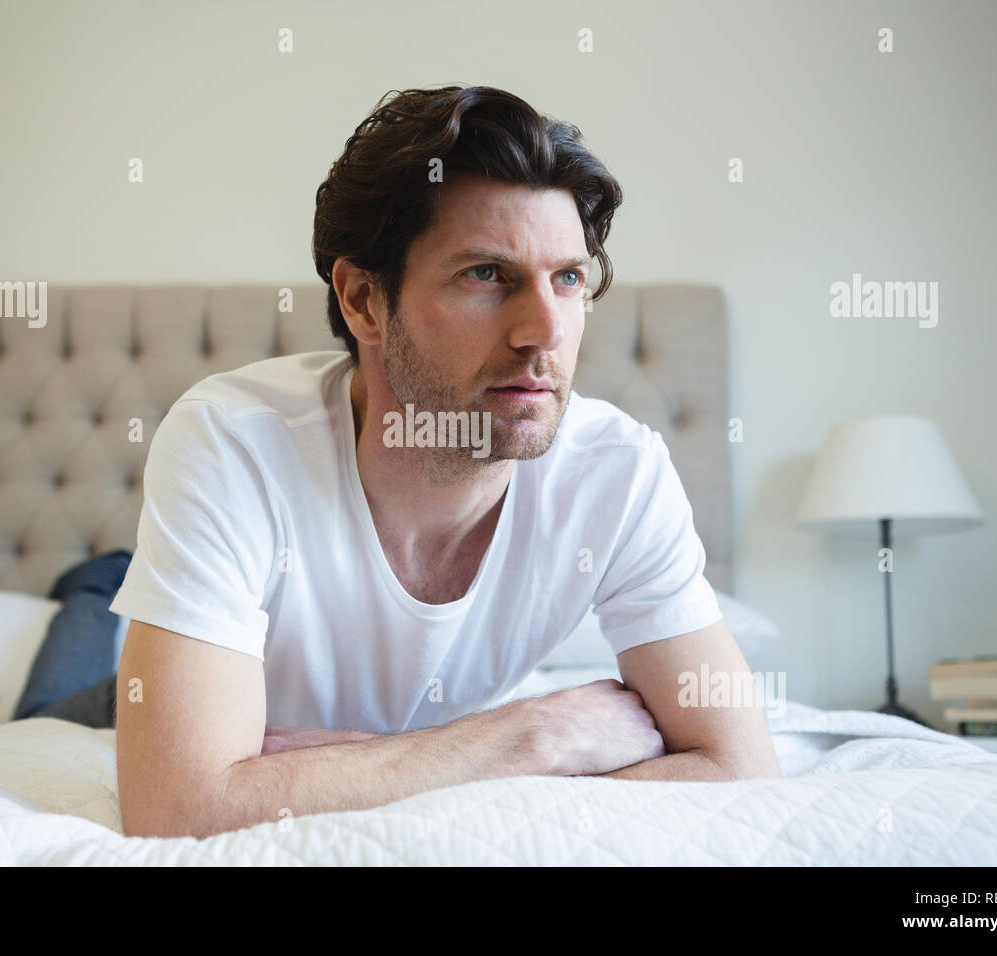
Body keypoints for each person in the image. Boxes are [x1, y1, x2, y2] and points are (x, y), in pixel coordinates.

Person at [97, 85, 778, 838]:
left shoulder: (618, 474)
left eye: (569, 279)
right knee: (73, 647)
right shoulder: (233, 442)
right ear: (362, 301)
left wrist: (359, 766)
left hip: (278, 721)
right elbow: (175, 807)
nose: (543, 334)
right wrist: (533, 737)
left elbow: (737, 768)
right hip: (123, 685)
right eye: (486, 274)